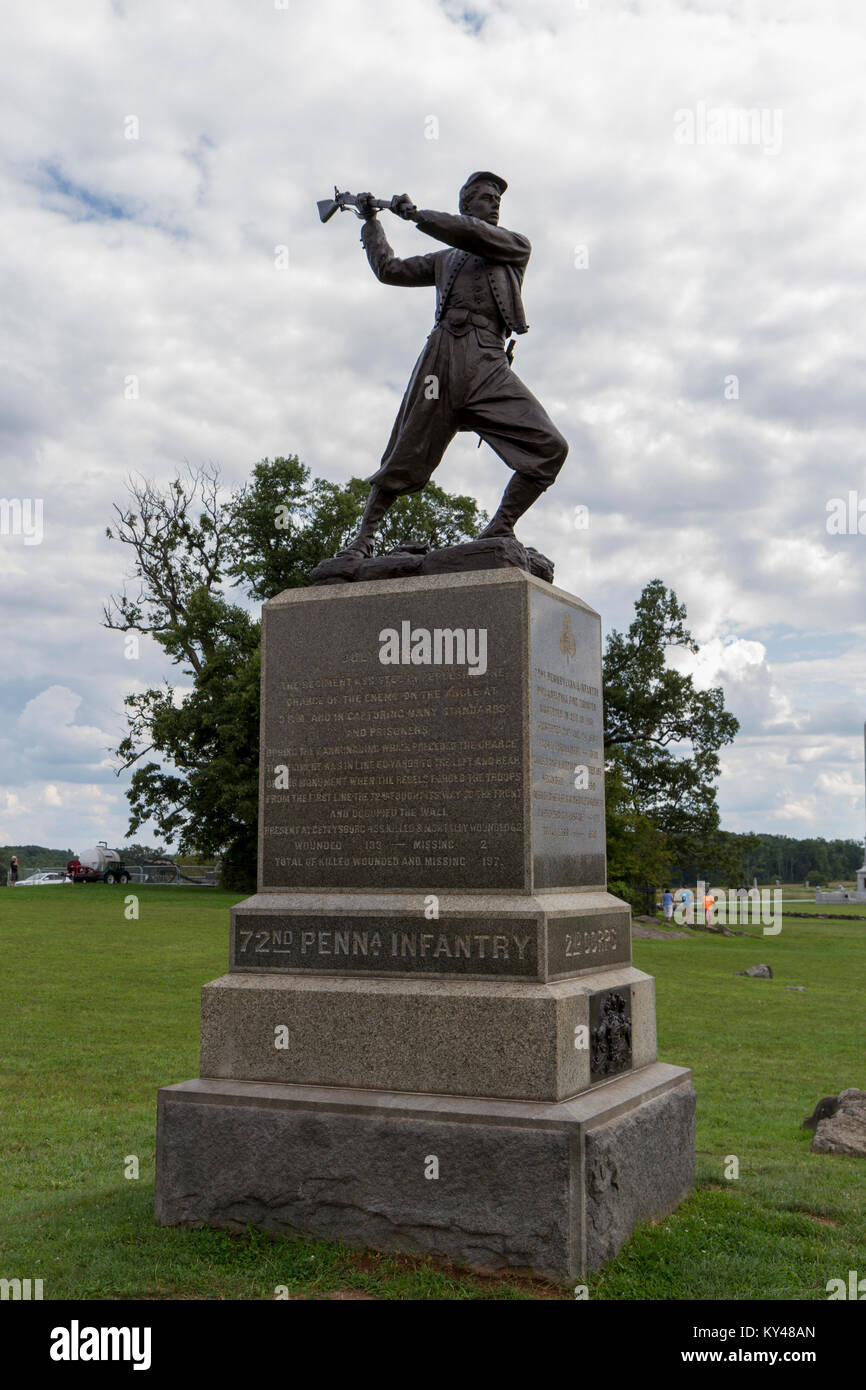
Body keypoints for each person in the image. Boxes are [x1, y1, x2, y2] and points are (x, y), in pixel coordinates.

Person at [340, 171, 569, 555]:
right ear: (466, 203)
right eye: (485, 196)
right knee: (406, 449)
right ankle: (362, 541)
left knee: (550, 447)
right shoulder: (444, 259)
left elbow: (469, 233)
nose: (495, 202)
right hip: (442, 356)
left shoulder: (513, 246)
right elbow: (390, 270)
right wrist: (371, 222)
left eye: (497, 198)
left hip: (487, 362)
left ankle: (500, 527)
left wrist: (418, 216)